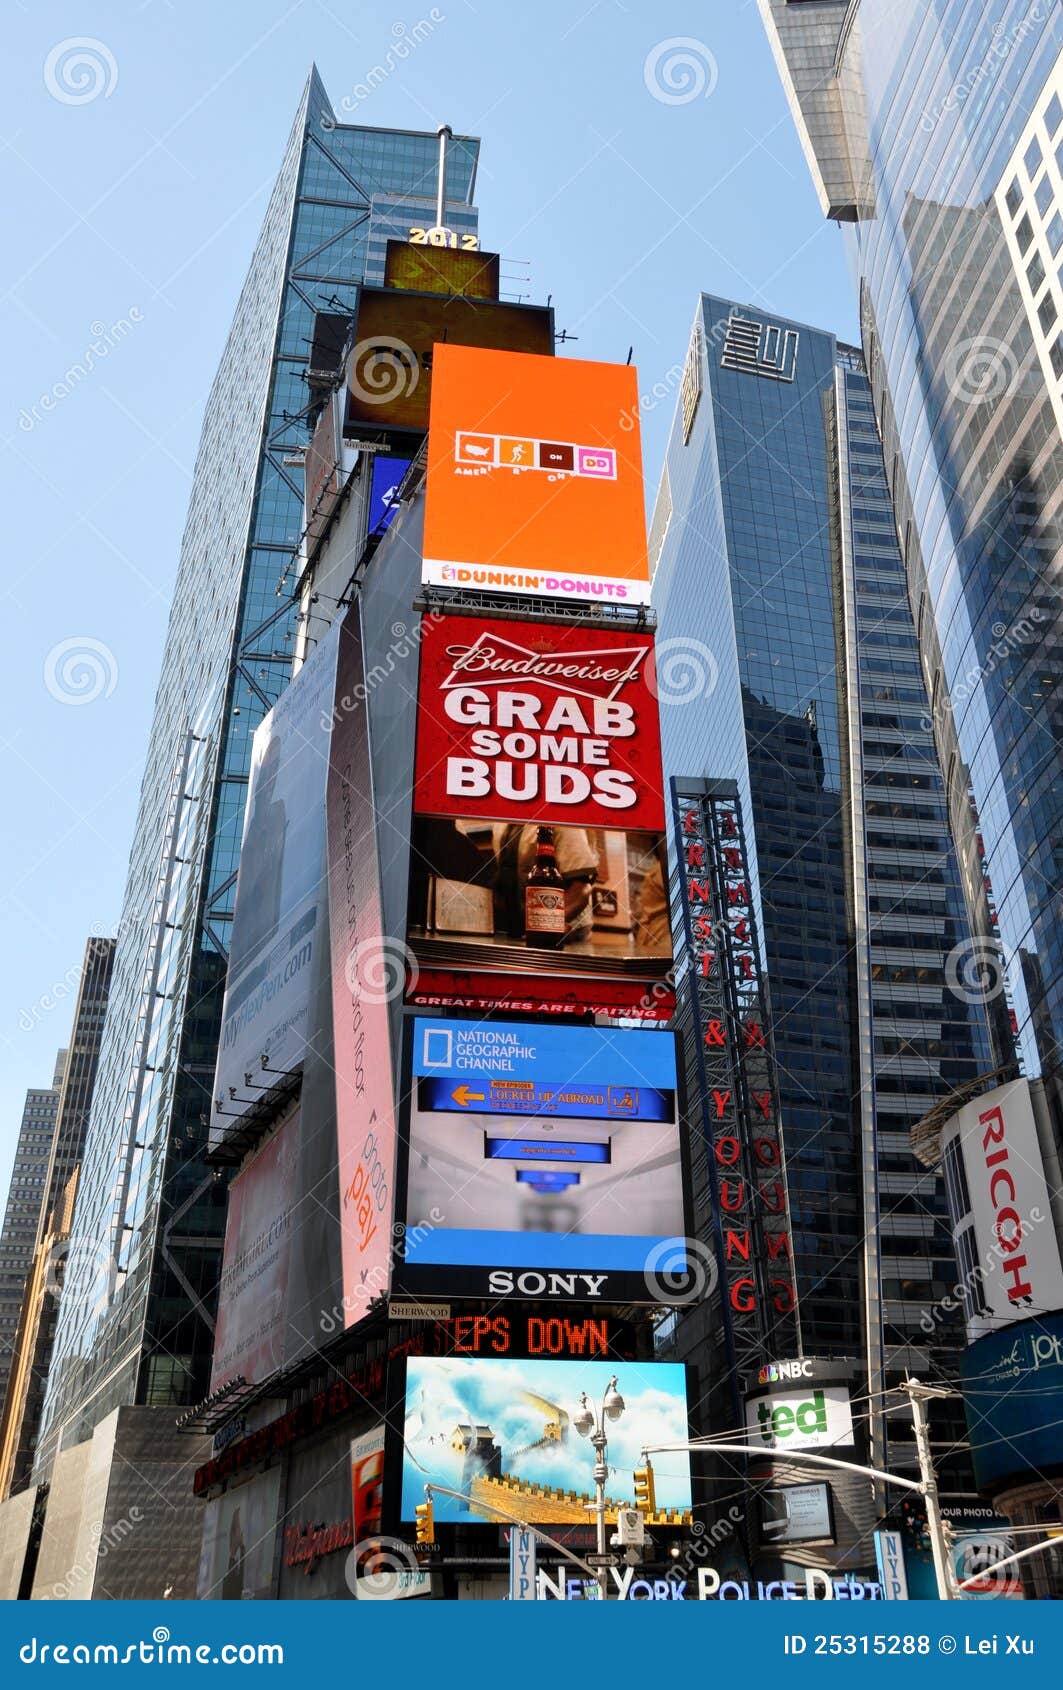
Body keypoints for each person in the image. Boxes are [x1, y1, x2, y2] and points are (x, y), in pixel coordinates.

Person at [228, 734, 288, 980]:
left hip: (271, 953)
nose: (271, 778)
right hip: (247, 960)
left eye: (276, 768)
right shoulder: (249, 840)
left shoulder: (278, 814)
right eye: (267, 771)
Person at [491, 823, 599, 942]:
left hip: (565, 930)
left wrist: (549, 924)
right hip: (520, 928)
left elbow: (581, 888)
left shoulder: (560, 816)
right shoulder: (499, 825)